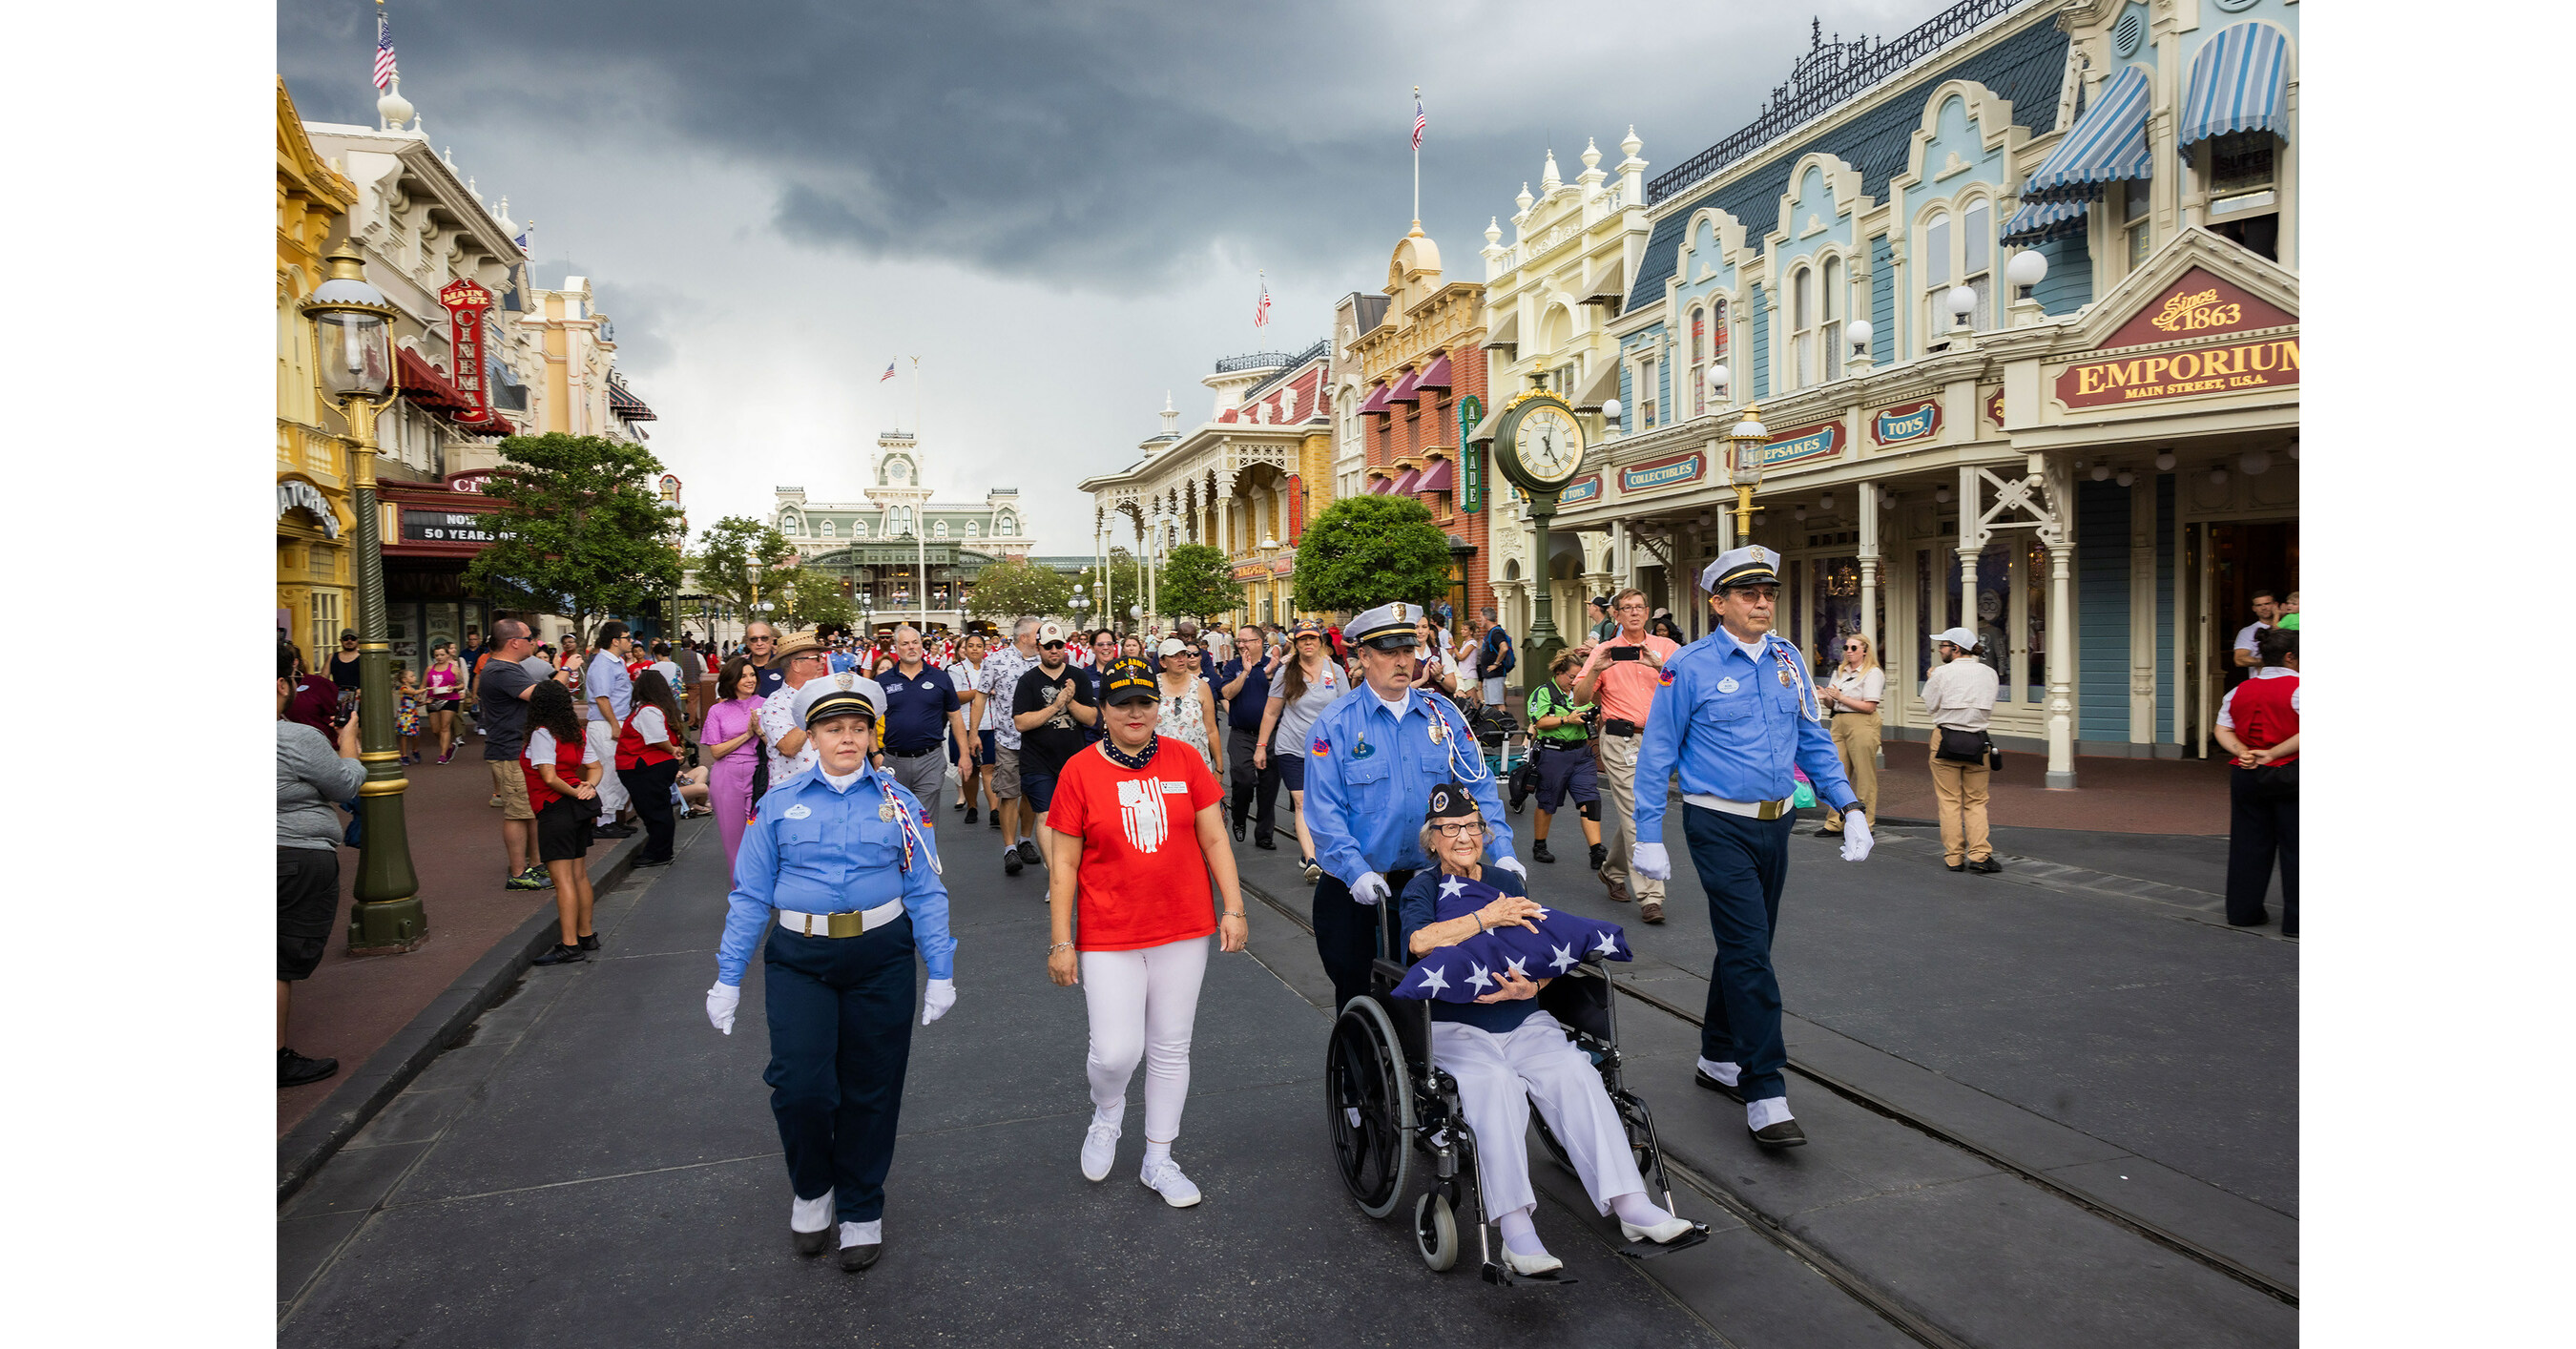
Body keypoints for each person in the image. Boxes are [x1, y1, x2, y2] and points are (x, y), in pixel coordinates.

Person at [704, 674, 957, 1273]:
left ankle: (862, 1207)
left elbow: (926, 889)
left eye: (857, 728)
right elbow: (749, 895)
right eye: (833, 728)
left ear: (871, 735)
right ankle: (813, 1189)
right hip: (800, 958)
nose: (847, 737)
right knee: (802, 1088)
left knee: (873, 1086)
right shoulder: (777, 805)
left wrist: (940, 967)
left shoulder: (899, 802)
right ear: (811, 736)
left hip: (881, 956)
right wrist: (727, 976)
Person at [1398, 783, 1696, 1276]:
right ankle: (1516, 1232)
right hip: (1455, 1027)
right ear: (1432, 840)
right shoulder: (1423, 886)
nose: (1463, 837)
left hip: (1524, 1018)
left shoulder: (1507, 881)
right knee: (1496, 1088)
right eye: (1450, 830)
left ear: (1485, 834)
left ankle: (1632, 1206)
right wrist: (1484, 916)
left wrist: (1530, 985)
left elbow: (1542, 947)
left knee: (1575, 1072)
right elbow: (1420, 942)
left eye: (1472, 827)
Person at [1632, 547, 1872, 1150]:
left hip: (1778, 823)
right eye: (1748, 594)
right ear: (1718, 603)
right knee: (1750, 954)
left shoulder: (1788, 659)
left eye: (1769, 592)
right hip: (1717, 824)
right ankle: (1764, 1089)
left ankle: (1718, 1055)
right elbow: (1658, 751)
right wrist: (1647, 835)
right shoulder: (1687, 668)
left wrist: (1848, 805)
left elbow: (1811, 739)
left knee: (1748, 945)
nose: (1764, 602)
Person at [1044, 659, 1247, 1205]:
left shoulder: (1184, 758)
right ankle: (1107, 1111)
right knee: (1115, 1053)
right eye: (1121, 703)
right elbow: (1063, 864)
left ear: (1158, 705)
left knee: (1170, 1047)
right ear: (1103, 711)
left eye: (1144, 702)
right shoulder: (1080, 770)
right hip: (1108, 930)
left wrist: (1234, 906)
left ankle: (1159, 1158)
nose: (1135, 713)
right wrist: (1062, 940)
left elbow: (1214, 840)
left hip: (1183, 925)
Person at [1303, 602, 1521, 1012]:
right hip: (1359, 891)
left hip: (1433, 889)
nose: (1402, 662)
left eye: (1408, 650)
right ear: (1363, 656)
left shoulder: (1444, 715)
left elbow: (1479, 786)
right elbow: (1323, 812)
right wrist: (1355, 871)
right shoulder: (1336, 724)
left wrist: (1504, 853)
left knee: (1437, 1003)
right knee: (1360, 1001)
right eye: (1388, 651)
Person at [279, 656, 365, 1088]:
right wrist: (349, 741)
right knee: (278, 960)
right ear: (280, 686)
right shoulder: (294, 738)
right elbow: (345, 784)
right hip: (293, 854)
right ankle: (277, 1057)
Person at [1571, 588, 1682, 922]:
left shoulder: (1667, 648)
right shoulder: (1604, 651)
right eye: (1626, 608)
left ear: (1647, 612)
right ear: (1616, 615)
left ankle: (1612, 870)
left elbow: (1688, 688)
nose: (1633, 613)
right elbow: (1579, 699)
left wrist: (1660, 666)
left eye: (1639, 607)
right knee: (1637, 812)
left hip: (1658, 743)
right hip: (1620, 741)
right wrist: (1595, 670)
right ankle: (1651, 896)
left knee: (1640, 811)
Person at [2213, 627, 2298, 937]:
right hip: (2292, 773)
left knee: (2248, 845)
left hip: (2246, 774)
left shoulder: (2239, 690)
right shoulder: (2302, 687)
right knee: (2298, 847)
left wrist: (2244, 752)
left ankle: (2243, 912)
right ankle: (2298, 921)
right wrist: (2272, 753)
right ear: (2290, 657)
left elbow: (2222, 729)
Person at [1255, 619, 1345, 883]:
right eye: (1303, 639)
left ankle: (1324, 847)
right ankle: (1312, 859)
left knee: (1328, 801)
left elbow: (1345, 711)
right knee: (1302, 801)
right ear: (1295, 643)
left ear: (1321, 642)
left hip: (1328, 750)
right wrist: (1261, 746)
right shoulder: (1286, 672)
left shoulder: (1334, 670)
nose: (1308, 643)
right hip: (1292, 746)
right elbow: (1271, 711)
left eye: (1313, 639)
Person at [523, 679, 604, 966]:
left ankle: (569, 945)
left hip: (554, 809)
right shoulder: (576, 733)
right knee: (580, 875)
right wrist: (588, 789)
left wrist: (575, 791)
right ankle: (586, 935)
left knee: (562, 880)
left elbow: (548, 776)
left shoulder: (542, 734)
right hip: (578, 811)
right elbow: (595, 768)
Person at [1009, 623, 1099, 874]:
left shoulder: (1078, 677)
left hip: (1074, 760)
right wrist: (1055, 704)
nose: (1054, 650)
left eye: (1058, 645)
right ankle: (1056, 874)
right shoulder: (1028, 681)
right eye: (1048, 646)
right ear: (1039, 647)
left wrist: (1069, 703)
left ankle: (1079, 868)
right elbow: (1020, 723)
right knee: (1045, 816)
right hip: (1037, 761)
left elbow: (1092, 718)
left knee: (1079, 818)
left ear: (1065, 646)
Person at [1922, 626, 2002, 874]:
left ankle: (1954, 857)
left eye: (1943, 646)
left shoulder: (1941, 674)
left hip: (1946, 737)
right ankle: (1980, 854)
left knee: (1949, 801)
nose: (1940, 650)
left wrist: (1932, 677)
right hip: (1978, 741)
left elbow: (1930, 706)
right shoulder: (1989, 674)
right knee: (1976, 801)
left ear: (1956, 649)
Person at [477, 620, 551, 891]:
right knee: (518, 813)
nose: (534, 643)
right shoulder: (501, 670)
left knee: (529, 810)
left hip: (517, 747)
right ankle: (519, 873)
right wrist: (567, 671)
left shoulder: (504, 668)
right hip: (509, 749)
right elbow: (543, 697)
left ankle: (536, 864)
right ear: (514, 642)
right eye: (530, 638)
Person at [876, 625, 971, 814]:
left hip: (931, 760)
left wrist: (965, 754)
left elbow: (955, 716)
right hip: (894, 761)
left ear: (921, 645)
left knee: (924, 819)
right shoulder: (882, 682)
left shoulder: (941, 678)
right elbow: (869, 721)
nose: (911, 647)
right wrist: (874, 754)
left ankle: (924, 844)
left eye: (915, 642)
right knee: (897, 819)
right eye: (905, 643)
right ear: (896, 647)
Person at [974, 617, 1046, 863]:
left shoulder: (1043, 661)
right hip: (1008, 739)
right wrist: (973, 733)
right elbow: (981, 697)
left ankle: (1025, 841)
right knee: (1008, 794)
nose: (1042, 640)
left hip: (1037, 740)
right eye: (1038, 634)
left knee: (1030, 793)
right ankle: (1009, 848)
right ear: (1024, 637)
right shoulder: (995, 660)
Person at [1525, 651, 1603, 869]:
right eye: (1571, 677)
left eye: (1579, 678)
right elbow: (1539, 721)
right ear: (1559, 673)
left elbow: (1589, 711)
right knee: (1547, 802)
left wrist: (1593, 717)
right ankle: (1539, 845)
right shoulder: (1543, 693)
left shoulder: (1581, 694)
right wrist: (1567, 719)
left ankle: (1597, 850)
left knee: (1590, 800)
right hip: (1553, 754)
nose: (1574, 682)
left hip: (1582, 754)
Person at [702, 655, 770, 872]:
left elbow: (778, 745)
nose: (749, 680)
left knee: (762, 837)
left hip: (760, 774)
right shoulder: (717, 711)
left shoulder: (767, 705)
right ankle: (741, 894)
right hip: (727, 776)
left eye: (752, 675)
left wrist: (759, 733)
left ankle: (764, 890)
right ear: (732, 681)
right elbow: (716, 751)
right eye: (743, 676)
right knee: (734, 841)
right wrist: (747, 735)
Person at [1217, 624, 1282, 848]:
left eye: (1246, 641)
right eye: (1239, 641)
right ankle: (1239, 817)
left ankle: (1264, 834)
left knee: (1268, 785)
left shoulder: (1274, 666)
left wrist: (1271, 674)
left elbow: (1285, 696)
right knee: (1243, 780)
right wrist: (1245, 672)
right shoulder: (1233, 666)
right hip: (1241, 734)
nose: (1241, 645)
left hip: (1272, 735)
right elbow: (1226, 693)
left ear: (1259, 642)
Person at [1816, 632, 1886, 839]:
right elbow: (1833, 703)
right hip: (1838, 721)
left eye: (1853, 648)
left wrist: (1840, 697)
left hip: (1861, 722)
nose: (1848, 651)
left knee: (1865, 776)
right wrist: (1827, 697)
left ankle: (1865, 823)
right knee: (1837, 772)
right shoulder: (1840, 671)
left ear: (1865, 650)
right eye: (1846, 647)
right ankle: (1834, 822)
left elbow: (1870, 706)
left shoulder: (1873, 673)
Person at [619, 670, 689, 868]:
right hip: (653, 765)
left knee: (655, 811)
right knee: (658, 809)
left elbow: (657, 739)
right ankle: (660, 850)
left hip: (646, 766)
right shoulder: (661, 708)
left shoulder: (648, 710)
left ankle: (659, 852)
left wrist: (672, 749)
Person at [582, 623, 639, 838]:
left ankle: (612, 818)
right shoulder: (603, 664)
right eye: (627, 637)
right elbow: (601, 698)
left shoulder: (614, 662)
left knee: (617, 771)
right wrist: (615, 725)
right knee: (607, 771)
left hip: (614, 722)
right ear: (615, 640)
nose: (630, 641)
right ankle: (603, 821)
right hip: (607, 724)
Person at [1153, 636, 1220, 776]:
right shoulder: (1152, 685)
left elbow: (1211, 729)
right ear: (1163, 662)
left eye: (1183, 654)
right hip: (1161, 762)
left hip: (1195, 762)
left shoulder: (1201, 686)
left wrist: (1219, 767)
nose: (1181, 659)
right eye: (1174, 656)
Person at [948, 633, 992, 824]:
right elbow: (956, 696)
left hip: (990, 724)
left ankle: (995, 810)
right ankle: (972, 805)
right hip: (964, 725)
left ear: (985, 649)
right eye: (971, 646)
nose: (975, 649)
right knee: (971, 770)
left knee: (990, 767)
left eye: (979, 646)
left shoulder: (992, 668)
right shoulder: (955, 669)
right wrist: (981, 692)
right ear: (964, 649)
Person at [424, 641, 466, 763]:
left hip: (450, 699)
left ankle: (442, 756)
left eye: (442, 655)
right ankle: (450, 746)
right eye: (437, 655)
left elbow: (461, 684)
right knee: (435, 730)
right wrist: (420, 697)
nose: (439, 657)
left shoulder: (454, 669)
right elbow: (423, 685)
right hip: (433, 699)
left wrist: (454, 688)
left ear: (447, 655)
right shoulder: (429, 669)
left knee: (445, 727)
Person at [2230, 590, 2280, 689]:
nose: (2264, 608)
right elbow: (2239, 660)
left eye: (2267, 603)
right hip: (2261, 687)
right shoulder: (2247, 632)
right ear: (2254, 608)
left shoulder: (2290, 625)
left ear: (2275, 604)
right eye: (2259, 605)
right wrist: (2270, 662)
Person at [1470, 608, 1516, 708]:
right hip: (1489, 675)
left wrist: (1496, 664)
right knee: (1492, 704)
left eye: (1481, 617)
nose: (1480, 619)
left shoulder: (1496, 632)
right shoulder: (1492, 632)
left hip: (1495, 674)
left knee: (1499, 704)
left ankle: (1503, 723)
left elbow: (1504, 648)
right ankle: (1496, 723)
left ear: (1486, 618)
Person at [742, 621, 787, 699]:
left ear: (772, 640)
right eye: (754, 639)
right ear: (747, 642)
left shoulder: (786, 666)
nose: (759, 643)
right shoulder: (739, 668)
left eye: (764, 638)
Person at [394, 664, 425, 765]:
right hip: (404, 715)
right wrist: (426, 689)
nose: (414, 677)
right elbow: (414, 692)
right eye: (411, 676)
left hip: (413, 715)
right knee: (404, 736)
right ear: (404, 680)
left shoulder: (412, 690)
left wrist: (426, 702)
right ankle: (404, 755)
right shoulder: (404, 689)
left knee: (416, 735)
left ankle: (415, 750)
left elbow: (415, 703)